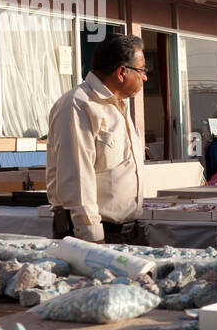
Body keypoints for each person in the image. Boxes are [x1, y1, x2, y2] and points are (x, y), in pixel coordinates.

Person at [46, 33, 148, 244]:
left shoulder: (119, 105)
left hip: (128, 232)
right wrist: (93, 240)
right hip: (95, 236)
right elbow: (78, 180)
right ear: (122, 72)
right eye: (142, 70)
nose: (145, 77)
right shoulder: (78, 105)